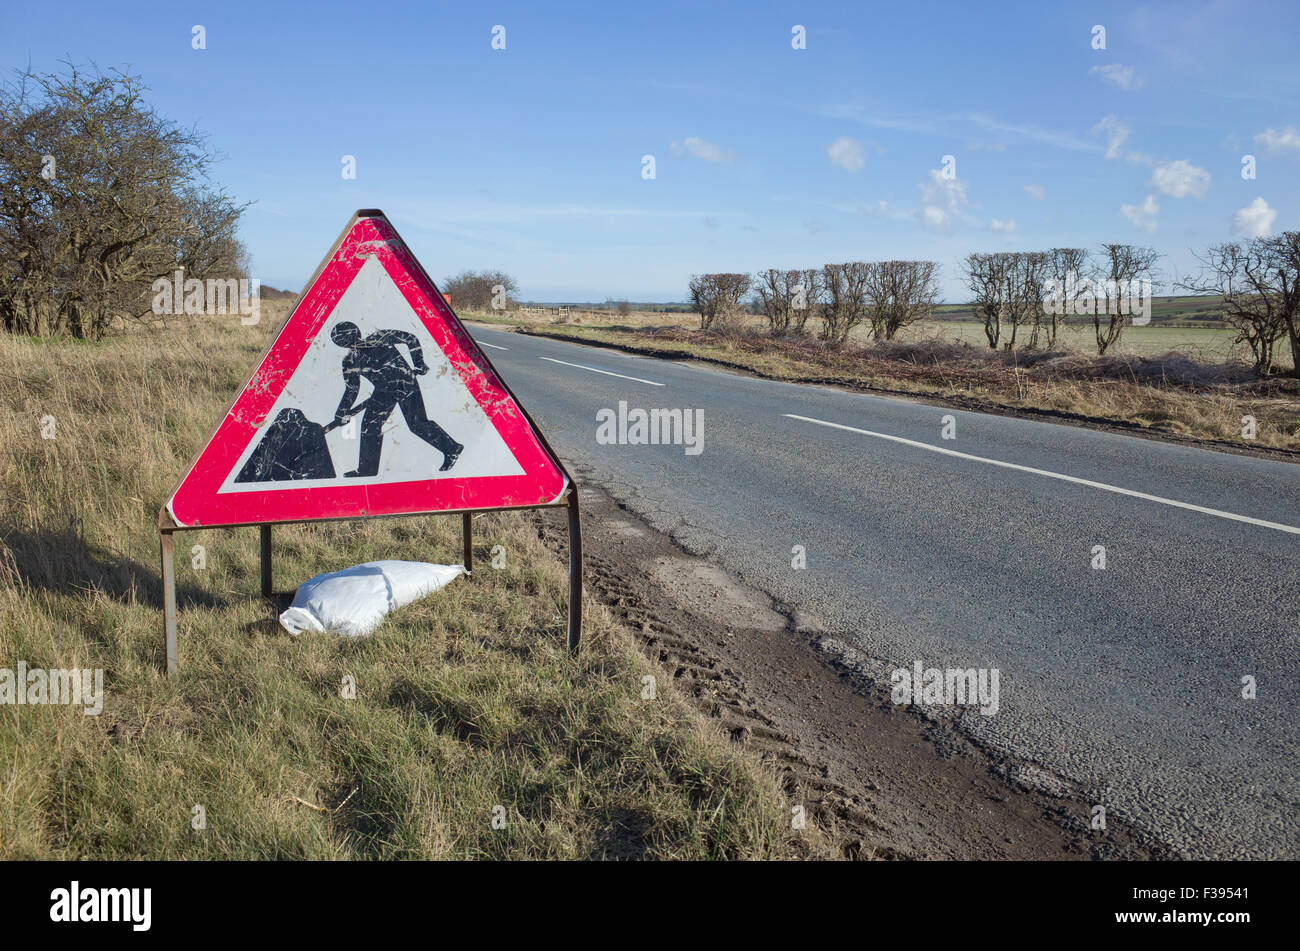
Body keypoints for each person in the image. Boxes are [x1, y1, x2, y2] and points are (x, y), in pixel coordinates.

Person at [330, 321, 463, 477]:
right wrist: (341, 412)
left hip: (403, 383)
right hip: (388, 390)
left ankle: (452, 448)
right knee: (375, 426)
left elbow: (352, 390)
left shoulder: (364, 348)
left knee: (413, 424)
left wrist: (419, 362)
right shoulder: (360, 352)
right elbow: (352, 389)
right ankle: (367, 470)